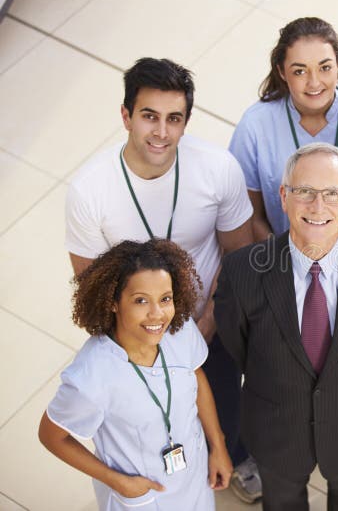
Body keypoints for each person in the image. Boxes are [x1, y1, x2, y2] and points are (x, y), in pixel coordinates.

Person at [64, 57, 255, 489]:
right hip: (134, 332)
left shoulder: (216, 168)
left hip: (210, 317)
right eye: (149, 116)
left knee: (223, 399)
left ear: (186, 122)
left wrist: (206, 321)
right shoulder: (90, 190)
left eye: (174, 119)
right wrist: (142, 337)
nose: (161, 132)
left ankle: (231, 454)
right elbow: (92, 286)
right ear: (126, 115)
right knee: (149, 421)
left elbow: (239, 254)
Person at [214, 142, 338, 511]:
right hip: (275, 423)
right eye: (304, 192)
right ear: (284, 196)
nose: (318, 207)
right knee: (283, 501)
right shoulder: (242, 273)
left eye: (332, 193)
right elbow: (240, 347)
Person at [39, 239, 232, 510]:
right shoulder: (90, 378)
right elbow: (51, 436)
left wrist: (218, 446)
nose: (157, 314)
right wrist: (118, 482)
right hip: (141, 495)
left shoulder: (179, 331)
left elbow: (196, 378)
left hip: (194, 475)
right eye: (141, 300)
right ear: (114, 302)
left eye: (165, 299)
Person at [229, 16, 338, 243]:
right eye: (300, 71)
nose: (314, 83)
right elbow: (252, 216)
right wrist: (282, 264)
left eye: (324, 68)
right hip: (281, 260)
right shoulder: (254, 126)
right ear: (282, 72)